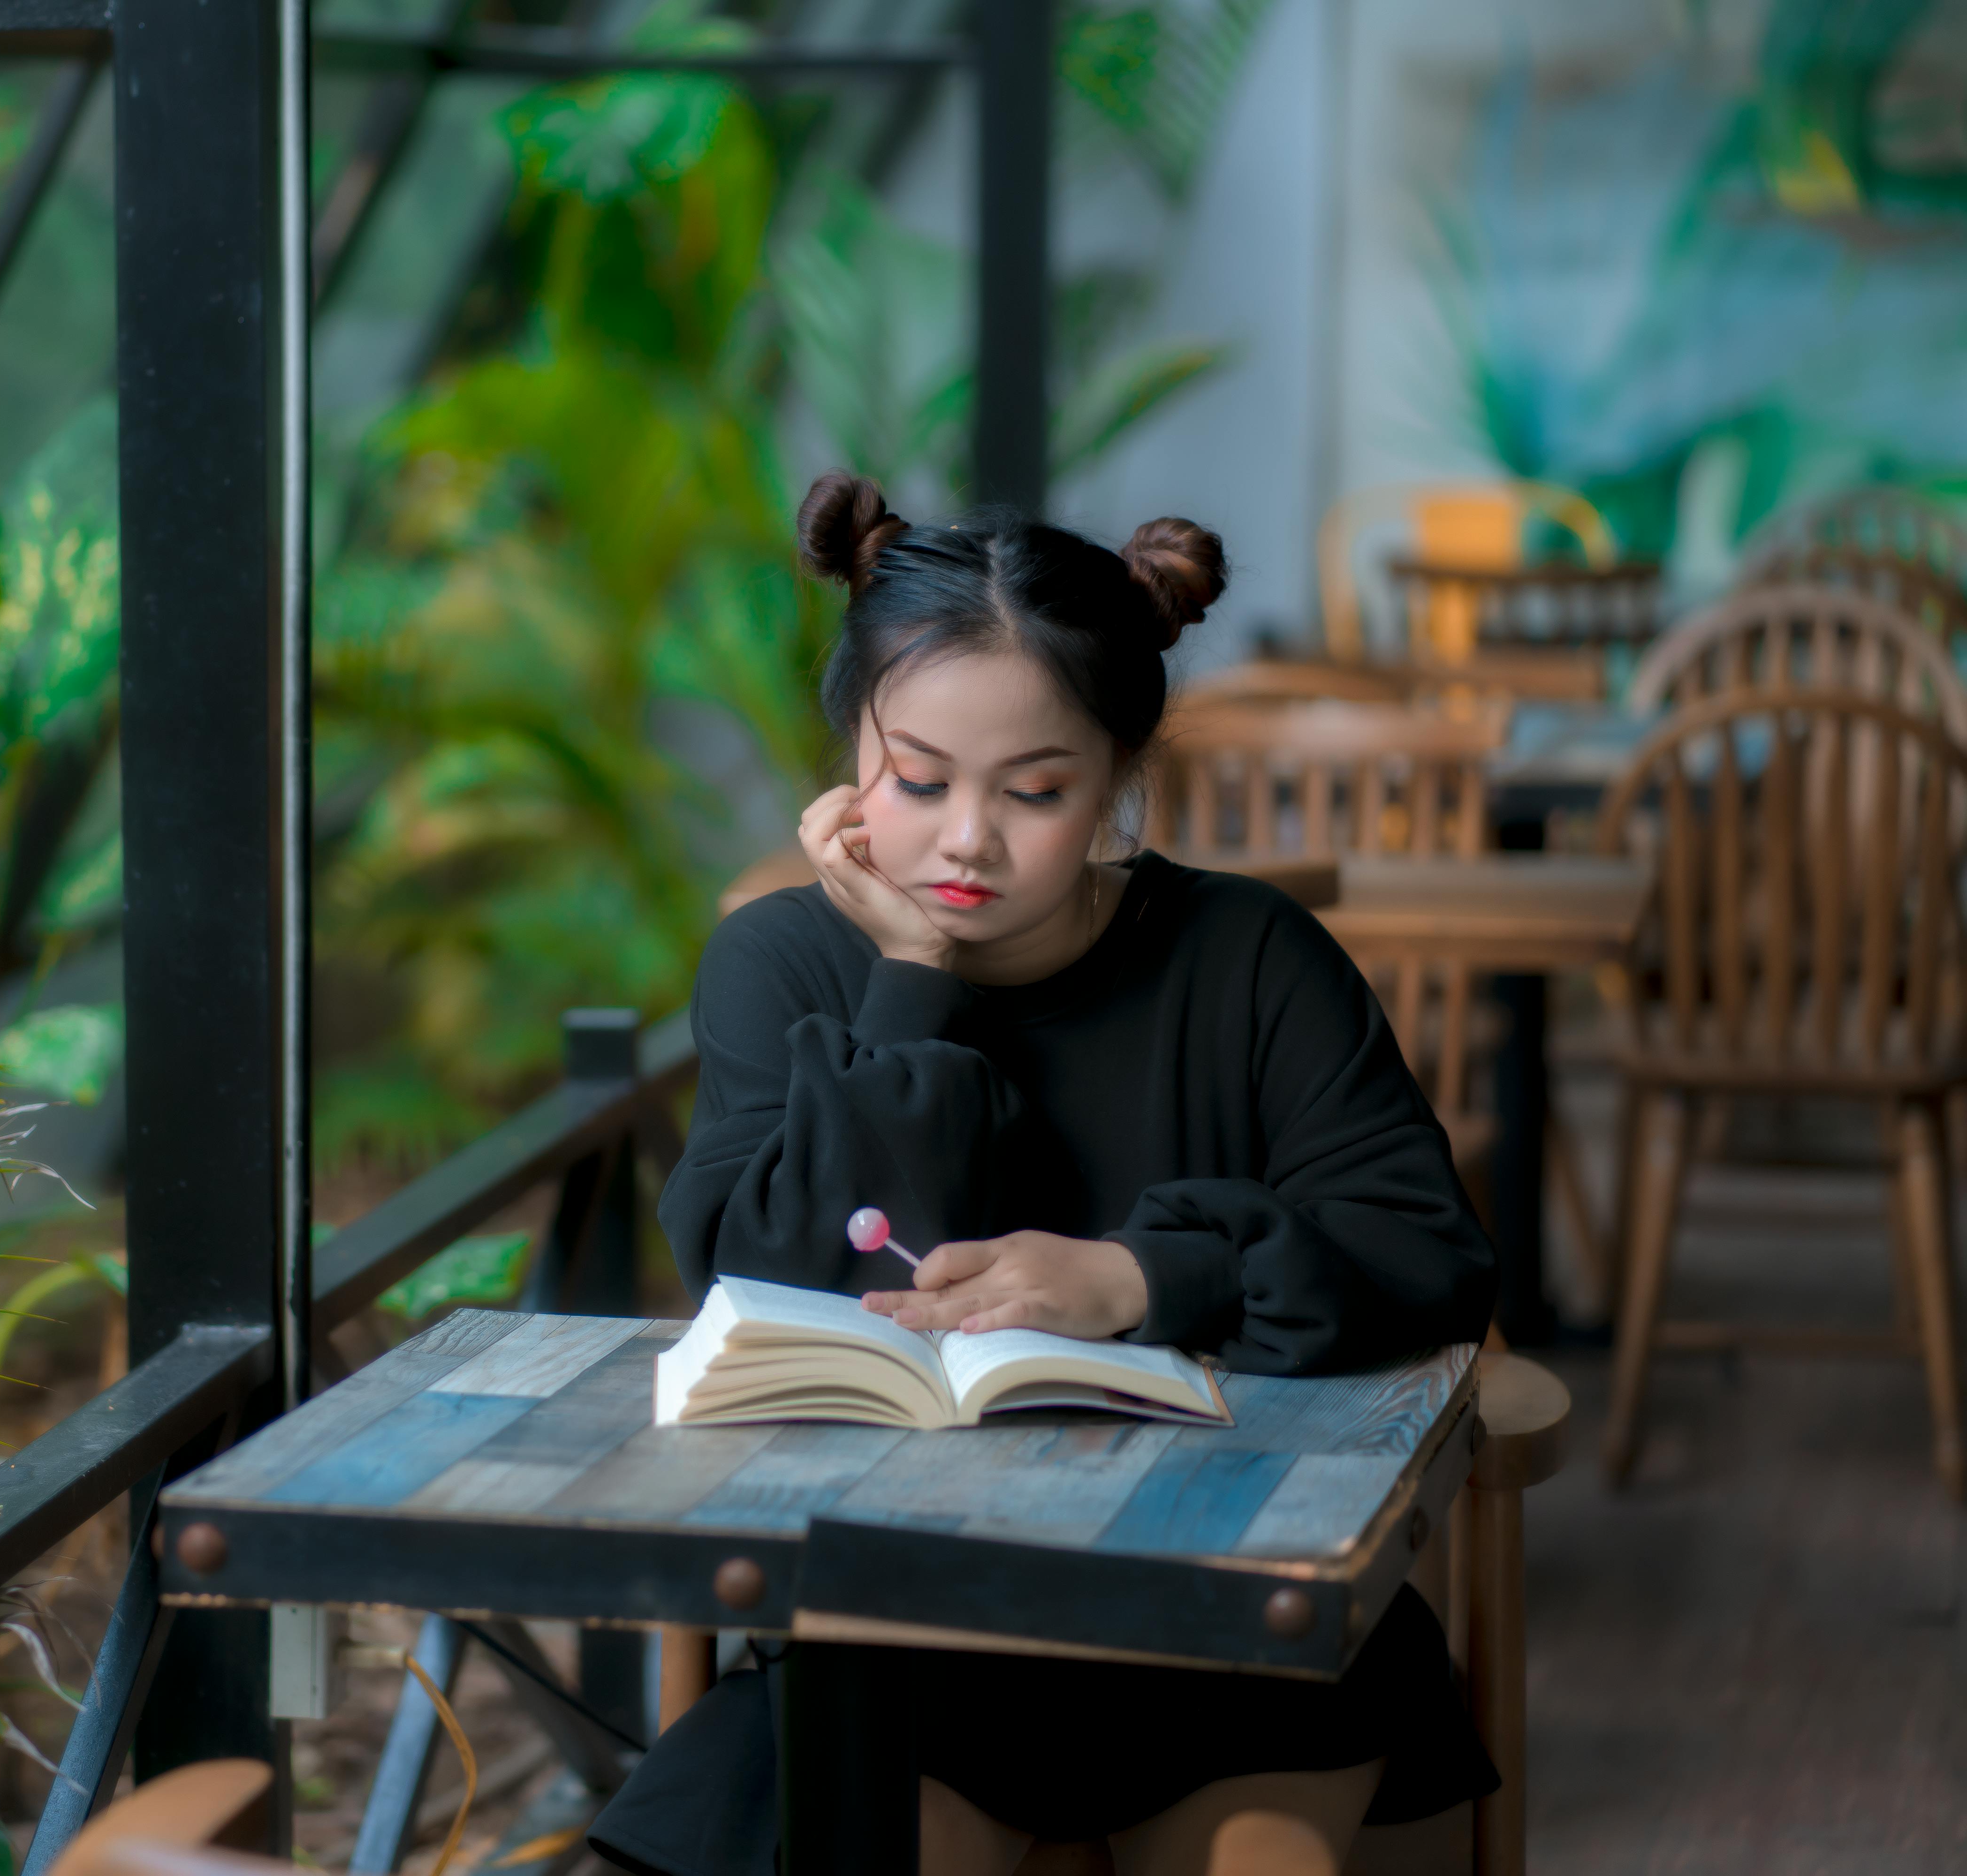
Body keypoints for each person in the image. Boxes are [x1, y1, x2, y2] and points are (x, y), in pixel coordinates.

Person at [586, 474, 1498, 1876]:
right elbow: (763, 1277)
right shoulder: (783, 964)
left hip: (1235, 1642)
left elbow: (1429, 1256)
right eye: (920, 781)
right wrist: (910, 979)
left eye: (1036, 791)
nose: (967, 840)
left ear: (1119, 778)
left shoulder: (1248, 958)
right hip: (909, 1647)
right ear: (851, 762)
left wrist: (1142, 1276)